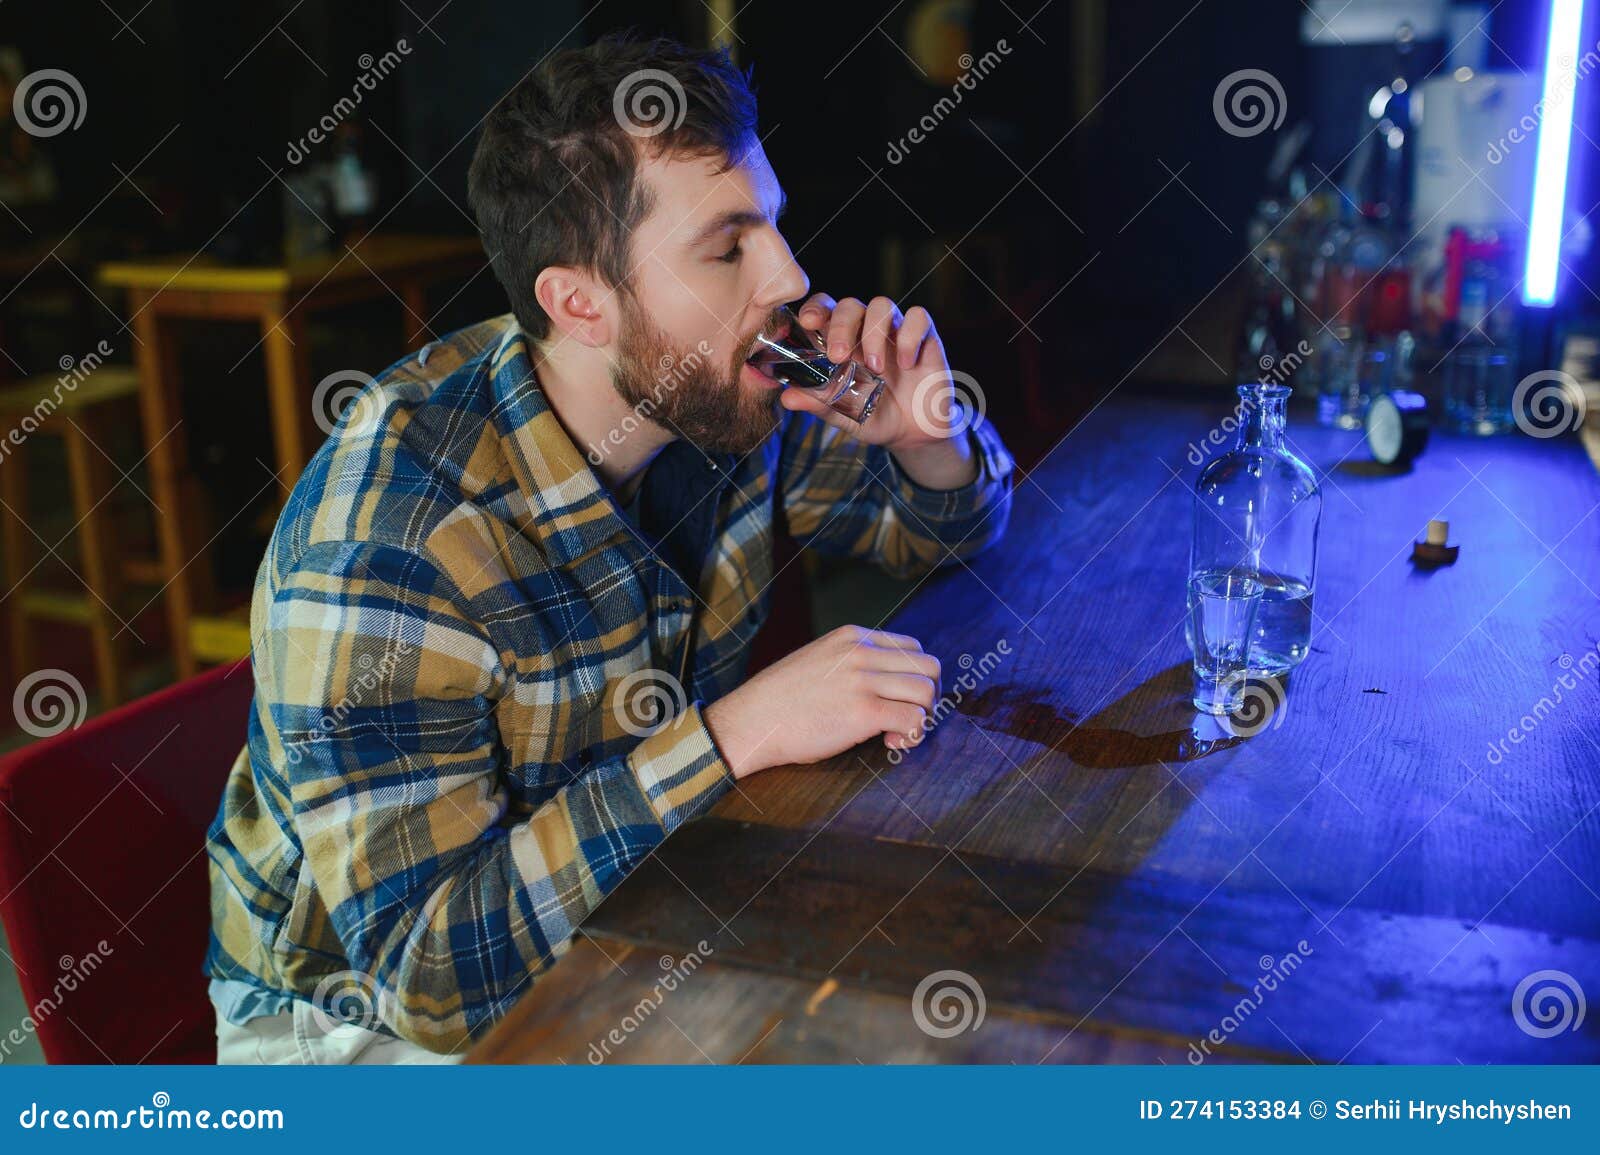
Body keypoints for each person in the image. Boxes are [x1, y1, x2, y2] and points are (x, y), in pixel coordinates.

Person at [205, 32, 1013, 1063]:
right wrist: (732, 738)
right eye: (728, 247)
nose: (790, 273)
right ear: (579, 303)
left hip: (630, 904)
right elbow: (429, 979)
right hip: (353, 1034)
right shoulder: (389, 540)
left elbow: (939, 534)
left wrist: (927, 440)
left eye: (773, 225)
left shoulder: (708, 395)